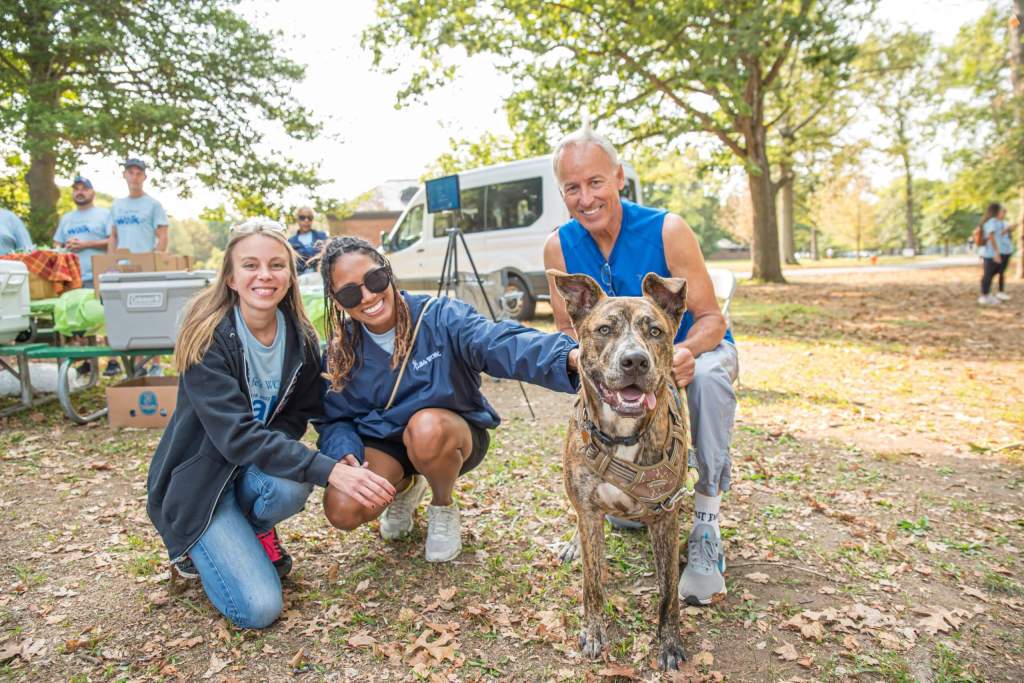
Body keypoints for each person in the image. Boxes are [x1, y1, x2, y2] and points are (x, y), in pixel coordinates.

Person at [146, 219, 395, 629]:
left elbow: (303, 412)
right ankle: (194, 548)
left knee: (291, 481)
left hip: (247, 472)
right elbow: (235, 436)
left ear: (291, 275)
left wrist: (343, 456)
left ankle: (252, 528)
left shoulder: (300, 337)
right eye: (250, 265)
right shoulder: (208, 338)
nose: (265, 275)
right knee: (258, 610)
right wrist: (328, 471)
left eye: (277, 265)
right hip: (201, 487)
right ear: (230, 276)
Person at [542, 122, 738, 607]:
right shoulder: (559, 247)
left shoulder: (666, 229)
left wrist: (685, 353)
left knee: (711, 377)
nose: (586, 197)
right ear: (562, 193)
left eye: (595, 182)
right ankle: (596, 503)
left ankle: (706, 522)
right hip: (619, 364)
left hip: (693, 351)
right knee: (587, 376)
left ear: (619, 178)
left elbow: (712, 318)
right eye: (572, 187)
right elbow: (570, 333)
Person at [317, 236, 580, 563]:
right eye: (350, 292)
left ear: (388, 272)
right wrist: (343, 453)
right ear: (337, 301)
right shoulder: (339, 352)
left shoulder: (440, 316)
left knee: (426, 427)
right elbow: (333, 419)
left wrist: (569, 356)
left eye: (375, 279)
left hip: (447, 436)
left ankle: (442, 504)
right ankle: (404, 487)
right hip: (387, 444)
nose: (368, 296)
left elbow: (497, 342)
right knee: (342, 507)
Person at [53, 176, 111, 288]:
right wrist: (64, 248)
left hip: (98, 277)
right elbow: (57, 243)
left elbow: (113, 242)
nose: (80, 192)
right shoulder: (66, 218)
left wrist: (86, 244)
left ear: (93, 193)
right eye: (76, 189)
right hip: (70, 279)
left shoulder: (105, 214)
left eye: (84, 189)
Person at [108, 158, 169, 254]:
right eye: (131, 173)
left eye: (138, 174)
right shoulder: (116, 205)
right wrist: (110, 264)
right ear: (124, 175)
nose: (134, 177)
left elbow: (163, 237)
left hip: (145, 265)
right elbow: (113, 237)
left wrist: (154, 262)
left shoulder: (154, 205)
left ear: (144, 177)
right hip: (120, 265)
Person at [977, 202, 1004, 306]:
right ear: (996, 211)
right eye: (1001, 210)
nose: (1002, 212)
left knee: (991, 273)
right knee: (988, 274)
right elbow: (991, 236)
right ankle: (984, 296)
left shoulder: (993, 221)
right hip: (990, 253)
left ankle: (986, 294)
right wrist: (996, 252)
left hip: (989, 252)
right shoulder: (992, 221)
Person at [287, 206, 327, 274]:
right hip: (300, 280)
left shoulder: (322, 236)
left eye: (310, 218)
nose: (306, 220)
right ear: (297, 219)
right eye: (302, 217)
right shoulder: (291, 242)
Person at [994, 206, 1015, 301]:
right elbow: (995, 236)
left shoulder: (1005, 223)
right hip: (999, 250)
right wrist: (1006, 230)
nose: (1003, 214)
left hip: (1007, 250)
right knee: (994, 272)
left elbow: (1007, 235)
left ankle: (1001, 291)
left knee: (1002, 272)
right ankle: (987, 292)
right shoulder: (993, 223)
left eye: (1004, 213)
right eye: (1002, 212)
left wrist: (1012, 228)